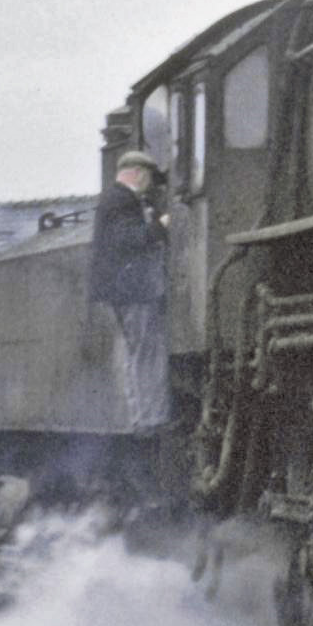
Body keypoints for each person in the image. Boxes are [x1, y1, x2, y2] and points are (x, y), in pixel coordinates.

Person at [90, 149, 172, 430]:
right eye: (149, 178)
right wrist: (160, 227)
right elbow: (127, 239)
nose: (150, 185)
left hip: (125, 290)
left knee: (138, 352)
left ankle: (142, 414)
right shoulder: (120, 200)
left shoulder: (115, 199)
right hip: (134, 291)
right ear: (138, 173)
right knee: (148, 352)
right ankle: (150, 416)